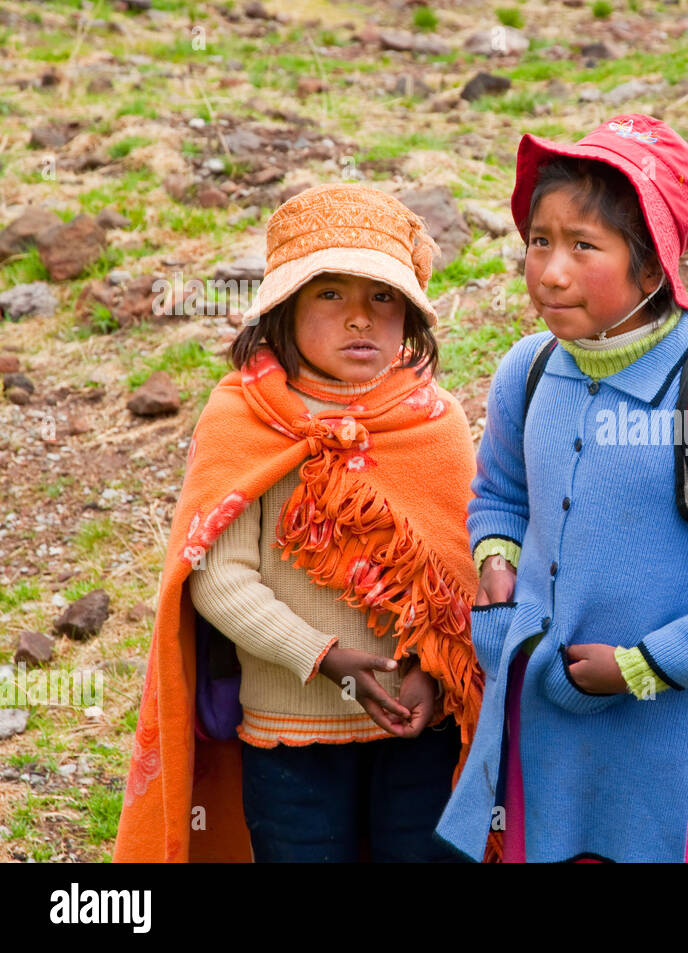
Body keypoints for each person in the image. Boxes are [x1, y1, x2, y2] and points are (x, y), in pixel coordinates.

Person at [435, 114, 688, 862]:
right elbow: (499, 494)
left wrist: (639, 667)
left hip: (673, 738)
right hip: (548, 731)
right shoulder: (529, 372)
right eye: (540, 240)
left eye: (583, 246)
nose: (550, 270)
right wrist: (499, 574)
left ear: (654, 269)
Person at [114, 183, 480, 862]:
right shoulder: (243, 421)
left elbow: (455, 579)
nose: (360, 319)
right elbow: (218, 577)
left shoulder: (435, 424)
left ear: (411, 315)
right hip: (290, 734)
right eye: (330, 294)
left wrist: (436, 671)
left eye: (382, 296)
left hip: (418, 728)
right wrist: (324, 658)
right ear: (282, 308)